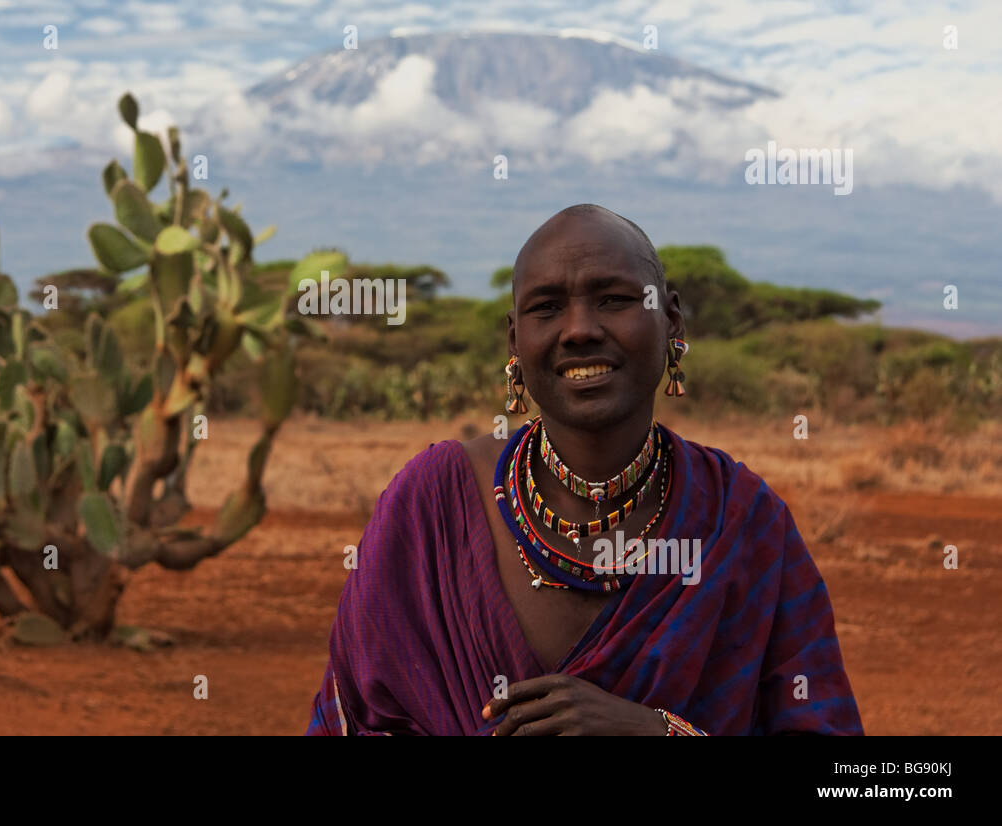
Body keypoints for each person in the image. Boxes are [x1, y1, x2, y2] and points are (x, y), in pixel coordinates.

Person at [305, 204, 863, 736]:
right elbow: (353, 720)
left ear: (670, 318)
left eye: (614, 299)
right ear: (514, 340)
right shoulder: (432, 504)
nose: (578, 330)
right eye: (546, 307)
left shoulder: (740, 521)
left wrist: (654, 732)